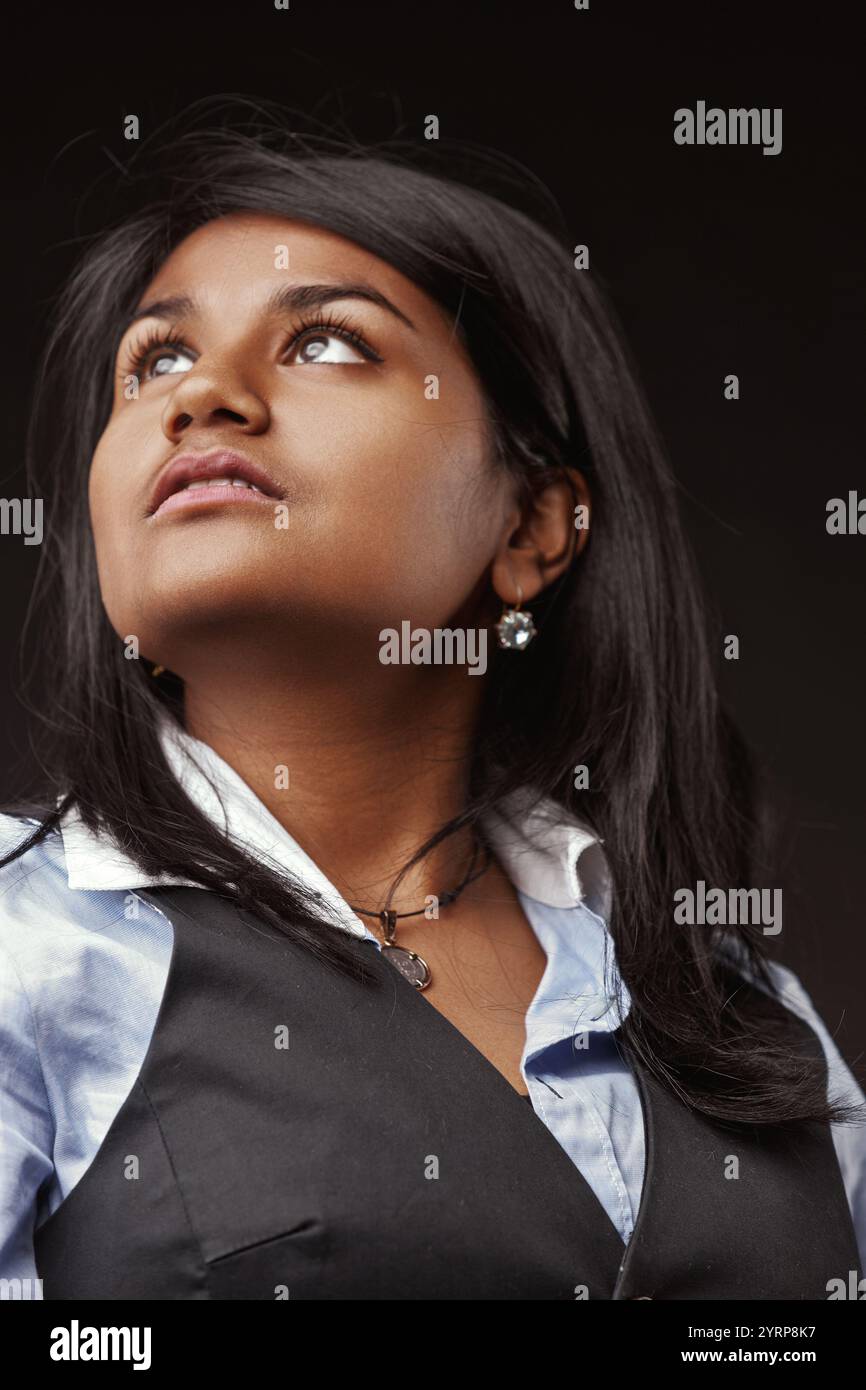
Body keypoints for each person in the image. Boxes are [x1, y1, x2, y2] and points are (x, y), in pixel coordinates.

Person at [1, 103, 864, 1300]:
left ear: (529, 526)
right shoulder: (29, 950)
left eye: (325, 344)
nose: (201, 398)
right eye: (155, 360)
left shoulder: (750, 1017)